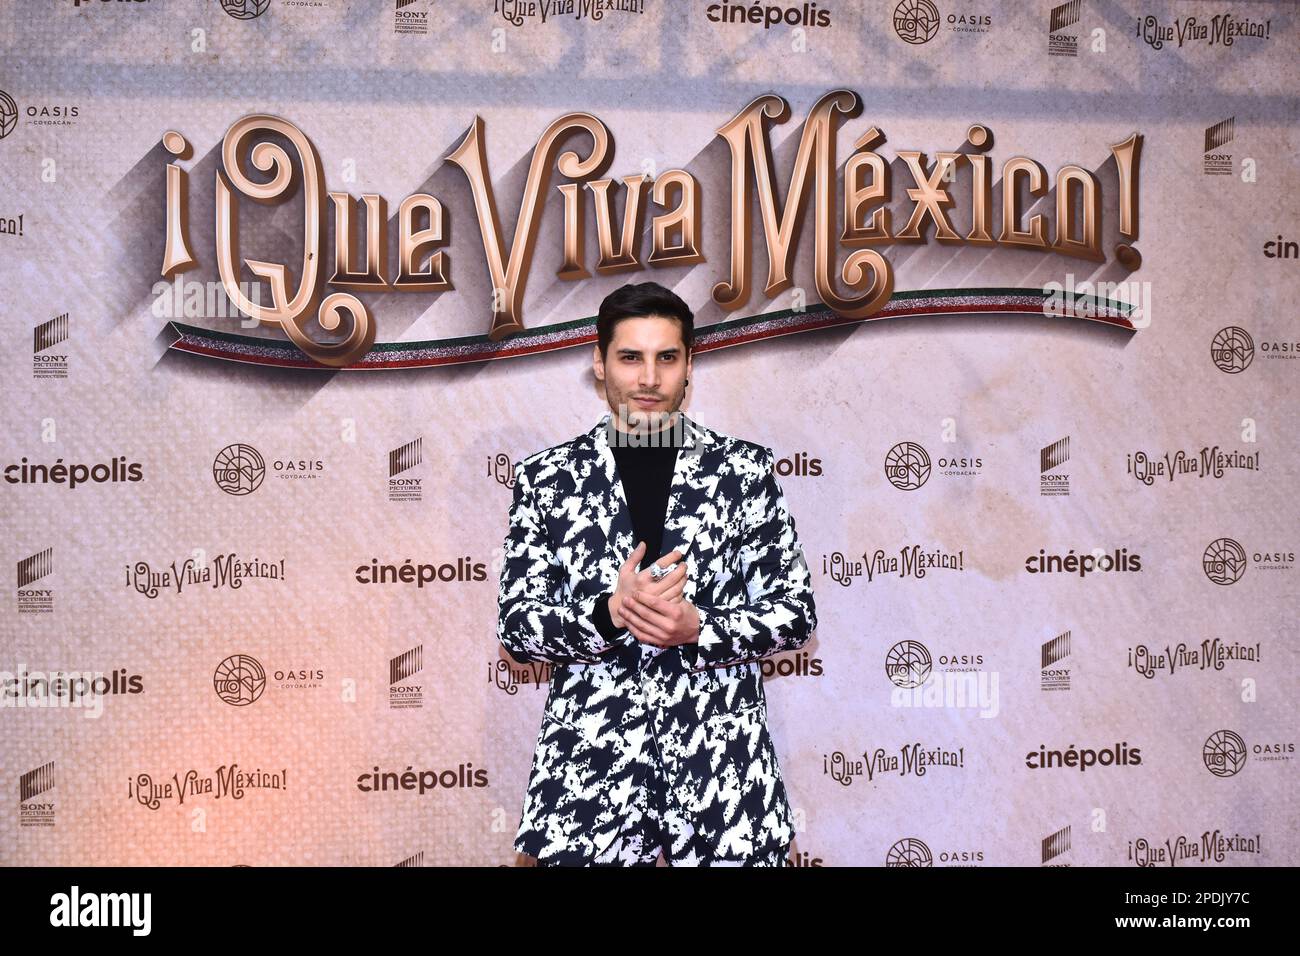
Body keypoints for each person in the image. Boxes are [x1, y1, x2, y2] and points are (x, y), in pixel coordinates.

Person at [496, 281, 817, 867]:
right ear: (599, 362)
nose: (648, 378)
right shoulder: (547, 479)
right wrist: (609, 614)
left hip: (724, 775)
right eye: (630, 357)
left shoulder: (743, 472)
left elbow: (795, 615)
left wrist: (699, 628)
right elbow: (517, 628)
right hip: (589, 777)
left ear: (689, 365)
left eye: (666, 357)